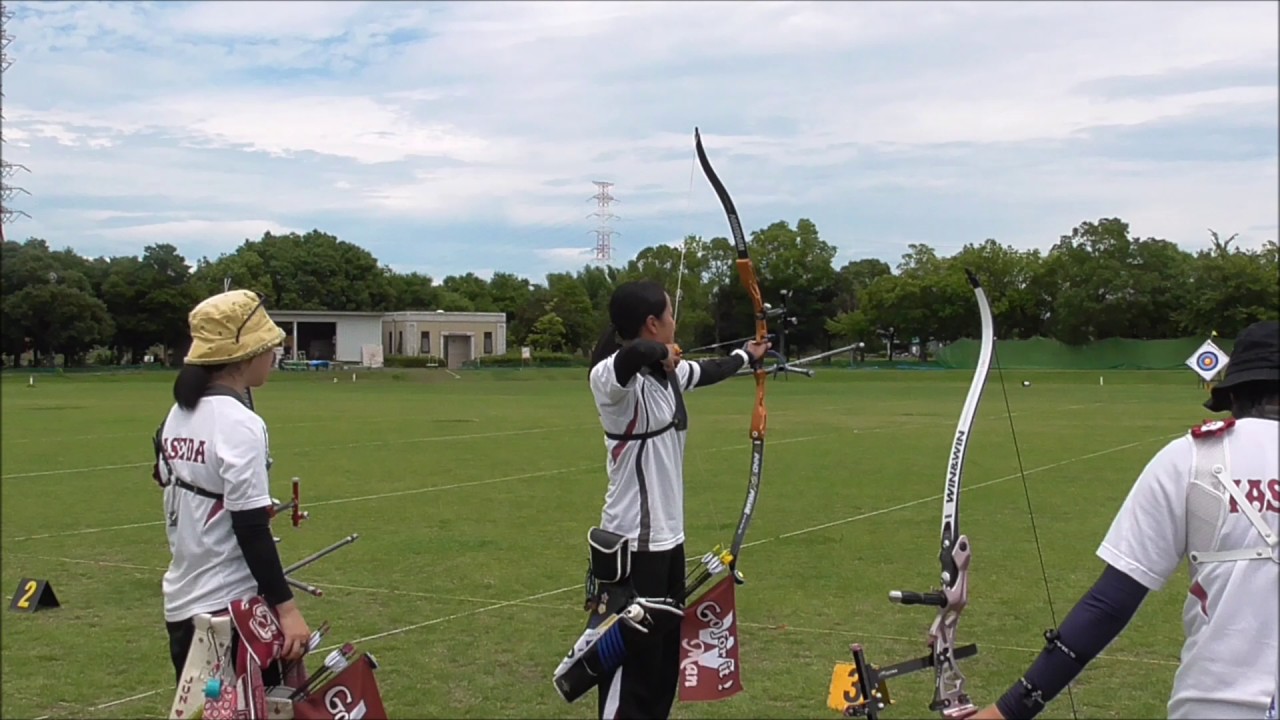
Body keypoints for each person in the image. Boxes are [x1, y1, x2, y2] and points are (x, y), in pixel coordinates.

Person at [972, 319, 1279, 720]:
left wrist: (1010, 710)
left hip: (1213, 706)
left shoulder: (1191, 458)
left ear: (1233, 392)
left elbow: (1109, 604)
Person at [579, 279, 769, 720]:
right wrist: (661, 353)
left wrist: (747, 356)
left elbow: (708, 370)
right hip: (632, 544)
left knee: (663, 660)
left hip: (668, 540)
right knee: (630, 663)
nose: (674, 322)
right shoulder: (610, 378)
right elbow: (634, 355)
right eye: (668, 314)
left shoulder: (667, 375)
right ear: (651, 324)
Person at [153, 289, 311, 685]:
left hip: (184, 604)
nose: (274, 357)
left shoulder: (178, 413)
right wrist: (288, 611)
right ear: (247, 355)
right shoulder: (239, 423)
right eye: (270, 347)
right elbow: (250, 527)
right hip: (230, 610)